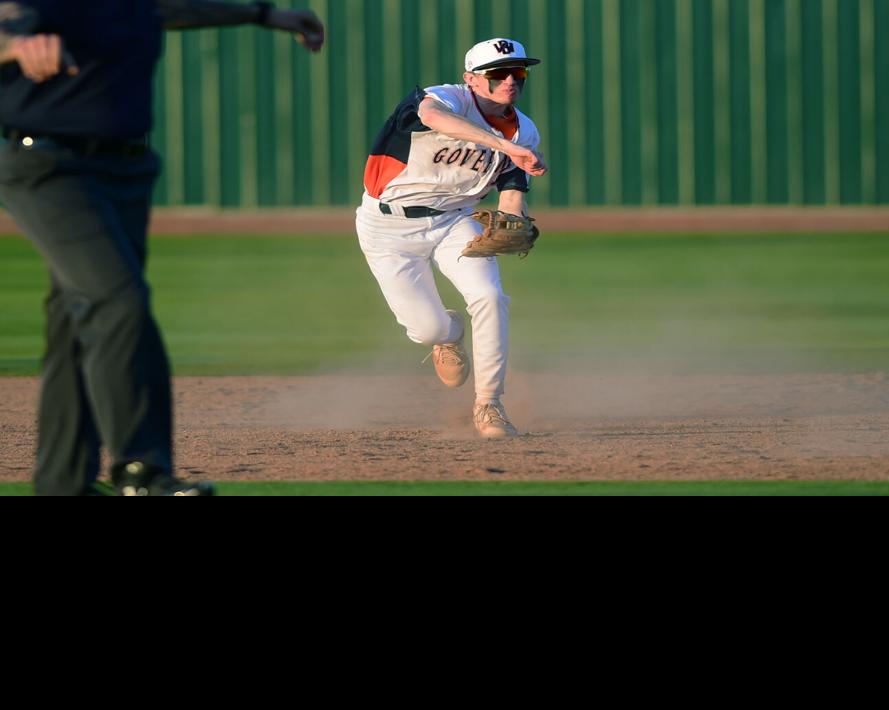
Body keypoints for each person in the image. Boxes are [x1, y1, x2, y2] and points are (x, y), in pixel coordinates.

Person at [0, 0, 325, 496]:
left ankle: (62, 483)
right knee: (118, 302)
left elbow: (177, 8)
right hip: (48, 167)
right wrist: (15, 45)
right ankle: (142, 470)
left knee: (74, 320)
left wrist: (262, 14)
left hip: (126, 169)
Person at [356, 38, 548, 440]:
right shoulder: (442, 98)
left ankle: (489, 405)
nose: (510, 80)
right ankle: (448, 336)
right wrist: (503, 145)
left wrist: (513, 218)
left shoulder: (524, 131)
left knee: (490, 297)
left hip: (454, 221)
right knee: (427, 329)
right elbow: (433, 117)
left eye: (519, 73)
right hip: (387, 225)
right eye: (497, 73)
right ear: (472, 80)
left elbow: (513, 190)